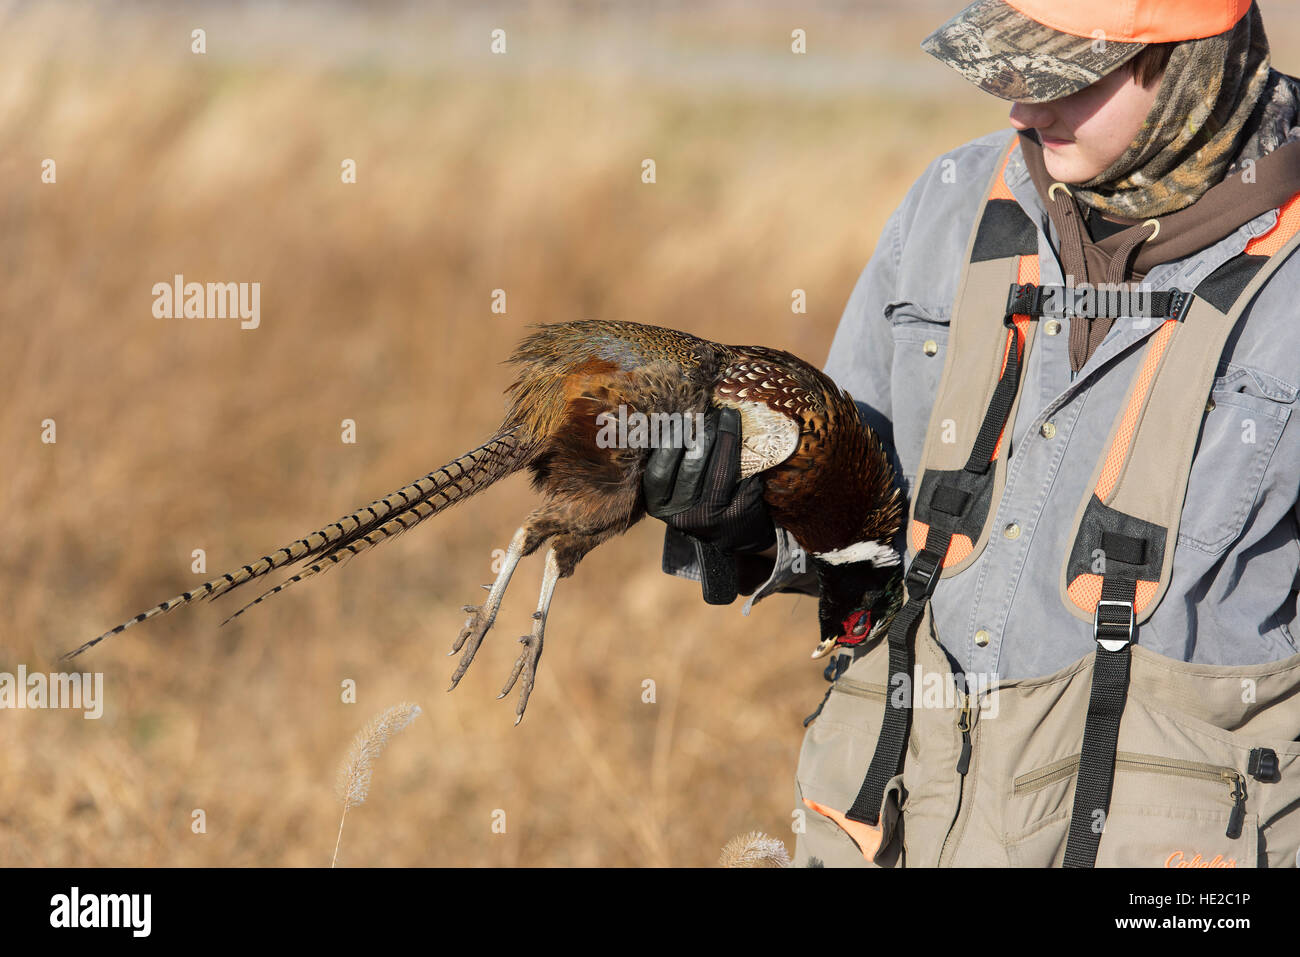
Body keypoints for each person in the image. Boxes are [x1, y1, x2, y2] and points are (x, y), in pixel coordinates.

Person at [646, 0, 1300, 867]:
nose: (1022, 108)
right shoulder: (953, 206)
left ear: (1187, 66)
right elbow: (863, 527)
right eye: (1008, 70)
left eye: (1065, 75)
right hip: (898, 829)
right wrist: (744, 519)